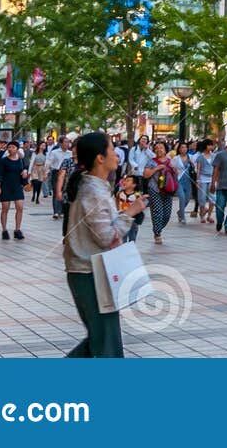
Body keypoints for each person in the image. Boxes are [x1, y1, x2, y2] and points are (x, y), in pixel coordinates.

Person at [62, 131, 145, 358]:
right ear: (100, 157)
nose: (117, 155)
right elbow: (107, 236)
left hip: (94, 271)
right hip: (91, 273)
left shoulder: (96, 187)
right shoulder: (93, 191)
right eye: (112, 149)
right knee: (107, 344)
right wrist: (130, 213)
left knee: (100, 340)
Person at [0, 139, 30, 240]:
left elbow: (24, 169)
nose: (11, 149)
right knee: (5, 208)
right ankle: (4, 230)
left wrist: (25, 172)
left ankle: (17, 230)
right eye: (9, 147)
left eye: (13, 147)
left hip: (17, 186)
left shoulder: (20, 160)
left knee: (20, 207)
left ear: (17, 149)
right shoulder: (3, 161)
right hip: (5, 186)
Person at [143, 142, 176, 244]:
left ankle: (158, 228)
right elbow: (145, 175)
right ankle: (157, 233)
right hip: (155, 190)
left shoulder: (171, 161)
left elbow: (176, 174)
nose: (158, 150)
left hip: (168, 190)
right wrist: (157, 168)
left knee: (166, 214)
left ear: (166, 150)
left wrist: (173, 168)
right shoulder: (151, 162)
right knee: (157, 212)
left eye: (161, 148)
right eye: (156, 148)